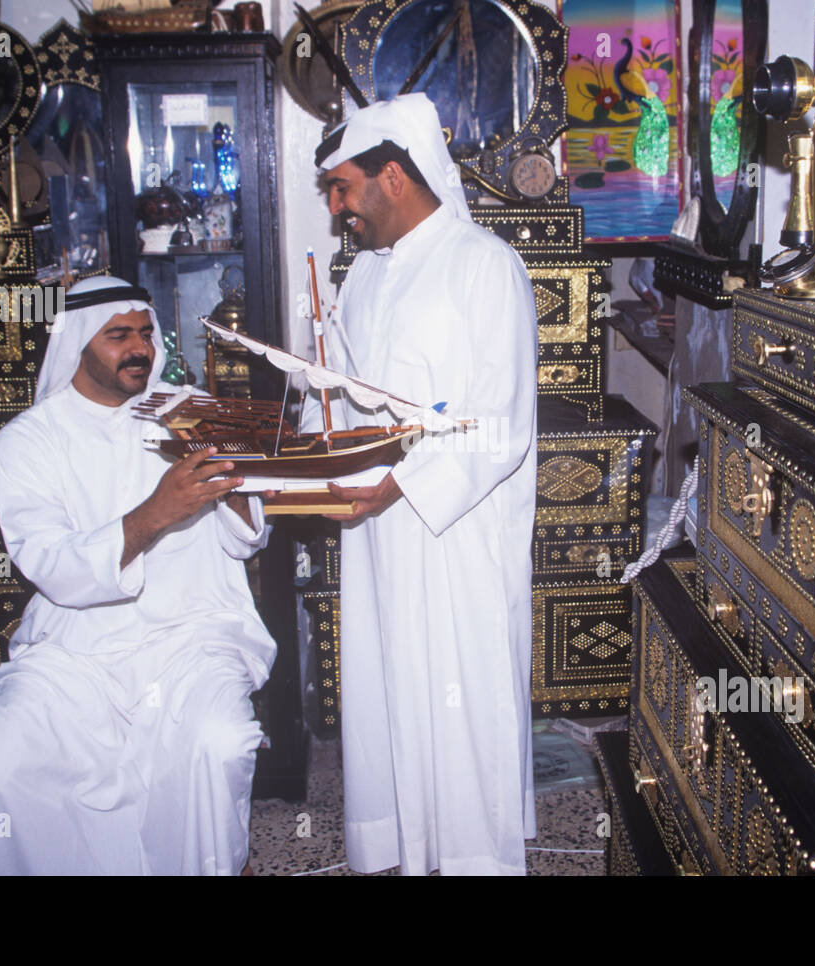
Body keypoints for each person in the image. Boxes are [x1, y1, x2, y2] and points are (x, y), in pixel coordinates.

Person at [0, 275, 275, 875]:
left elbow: (248, 539)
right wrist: (155, 514)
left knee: (219, 742)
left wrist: (236, 486)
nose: (140, 349)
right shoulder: (28, 442)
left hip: (193, 635)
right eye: (118, 335)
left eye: (147, 335)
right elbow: (53, 566)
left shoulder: (189, 415)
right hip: (74, 649)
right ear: (76, 341)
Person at [310, 92, 539, 875]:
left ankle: (473, 857)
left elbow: (498, 425)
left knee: (459, 696)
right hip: (375, 526)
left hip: (453, 534)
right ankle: (404, 848)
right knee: (388, 693)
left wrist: (400, 487)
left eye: (343, 187)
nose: (337, 207)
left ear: (396, 176)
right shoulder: (364, 276)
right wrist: (311, 442)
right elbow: (339, 392)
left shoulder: (484, 265)